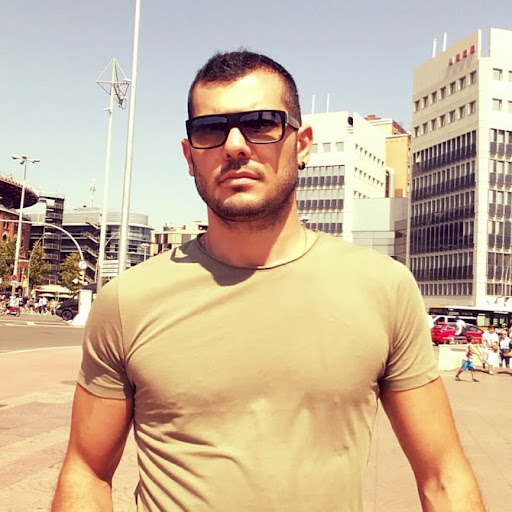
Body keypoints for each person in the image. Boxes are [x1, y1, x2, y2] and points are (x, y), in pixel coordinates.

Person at [52, 50, 484, 512]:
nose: (235, 146)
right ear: (189, 156)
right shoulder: (128, 300)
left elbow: (443, 477)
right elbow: (86, 471)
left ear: (303, 144)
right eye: (210, 130)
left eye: (261, 124)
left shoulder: (384, 289)